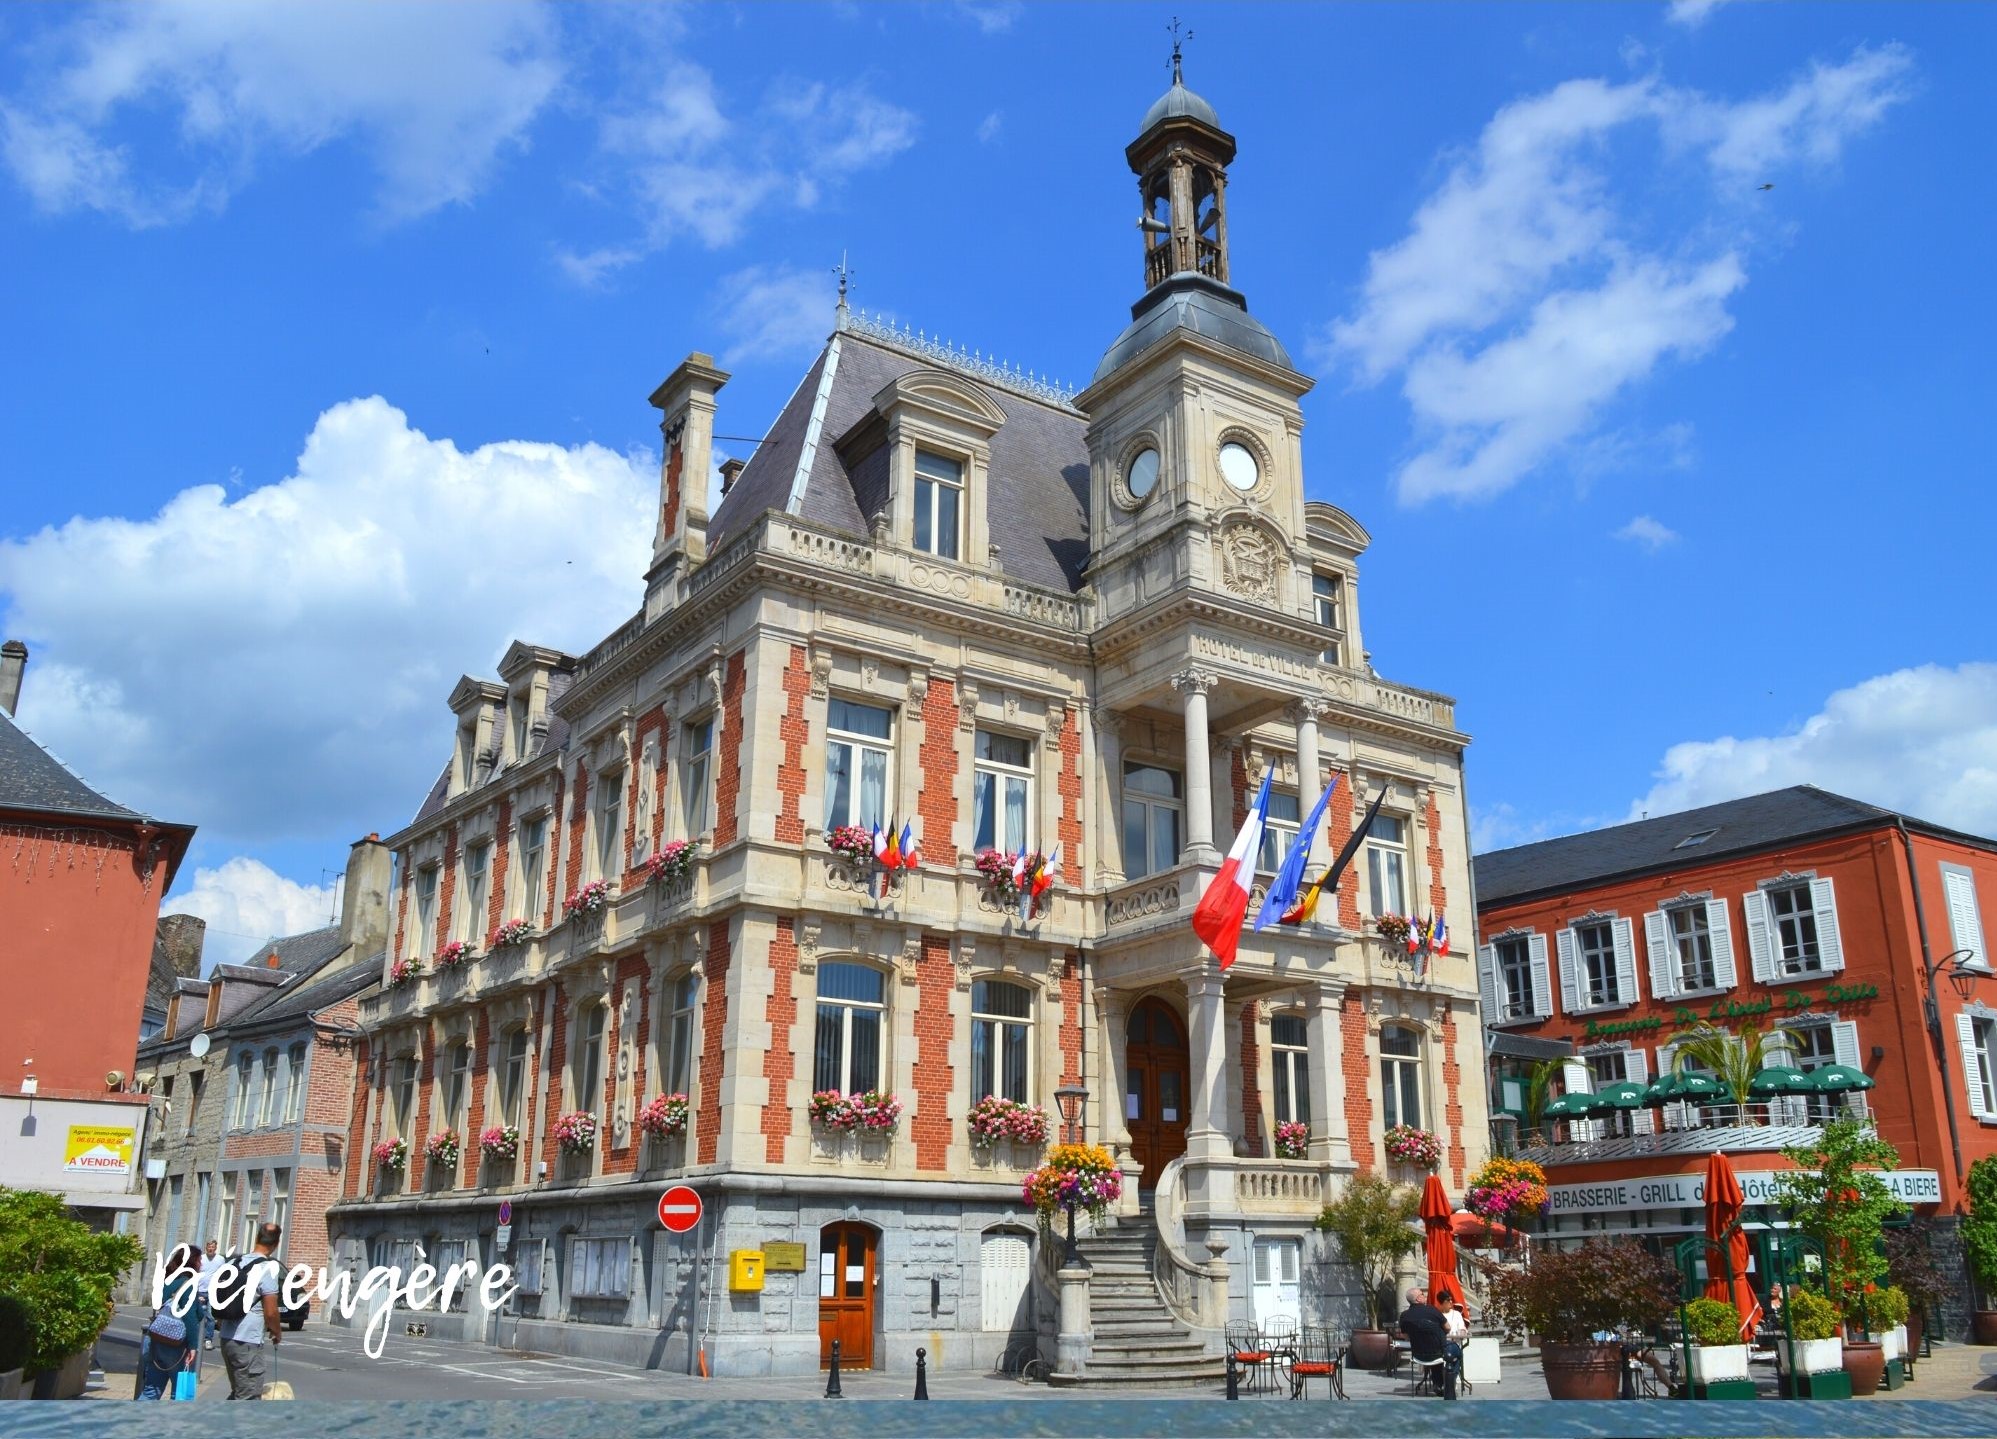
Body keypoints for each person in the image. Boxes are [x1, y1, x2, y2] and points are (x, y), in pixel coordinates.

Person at [217, 1223, 283, 1400]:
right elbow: (271, 1312)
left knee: (238, 1392)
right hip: (248, 1341)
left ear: (256, 1238)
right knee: (249, 1397)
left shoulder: (233, 1263)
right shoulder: (267, 1268)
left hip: (227, 1338)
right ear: (276, 1244)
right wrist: (277, 1331)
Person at [134, 1245, 203, 1400]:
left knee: (151, 1390)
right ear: (192, 1262)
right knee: (180, 1395)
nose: (201, 1264)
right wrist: (193, 1346)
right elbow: (190, 1318)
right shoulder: (188, 1284)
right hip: (177, 1346)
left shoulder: (168, 1281)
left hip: (156, 1341)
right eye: (199, 1260)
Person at [1400, 1286, 1461, 1400]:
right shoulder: (1432, 1310)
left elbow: (1405, 1336)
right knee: (1457, 1351)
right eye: (1422, 1294)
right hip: (1438, 1351)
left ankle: (1438, 1384)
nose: (1425, 1296)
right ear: (1418, 1299)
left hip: (1418, 1354)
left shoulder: (1404, 1316)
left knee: (1434, 1351)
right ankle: (1449, 1382)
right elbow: (1448, 1328)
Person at [198, 1240, 223, 1350]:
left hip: (213, 1292)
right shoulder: (201, 1259)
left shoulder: (220, 1260)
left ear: (215, 1248)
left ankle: (208, 1340)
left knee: (211, 1317)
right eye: (209, 1247)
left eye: (212, 1247)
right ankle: (197, 1339)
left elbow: (223, 1274)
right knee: (199, 1316)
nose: (210, 1249)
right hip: (200, 1291)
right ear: (206, 1248)